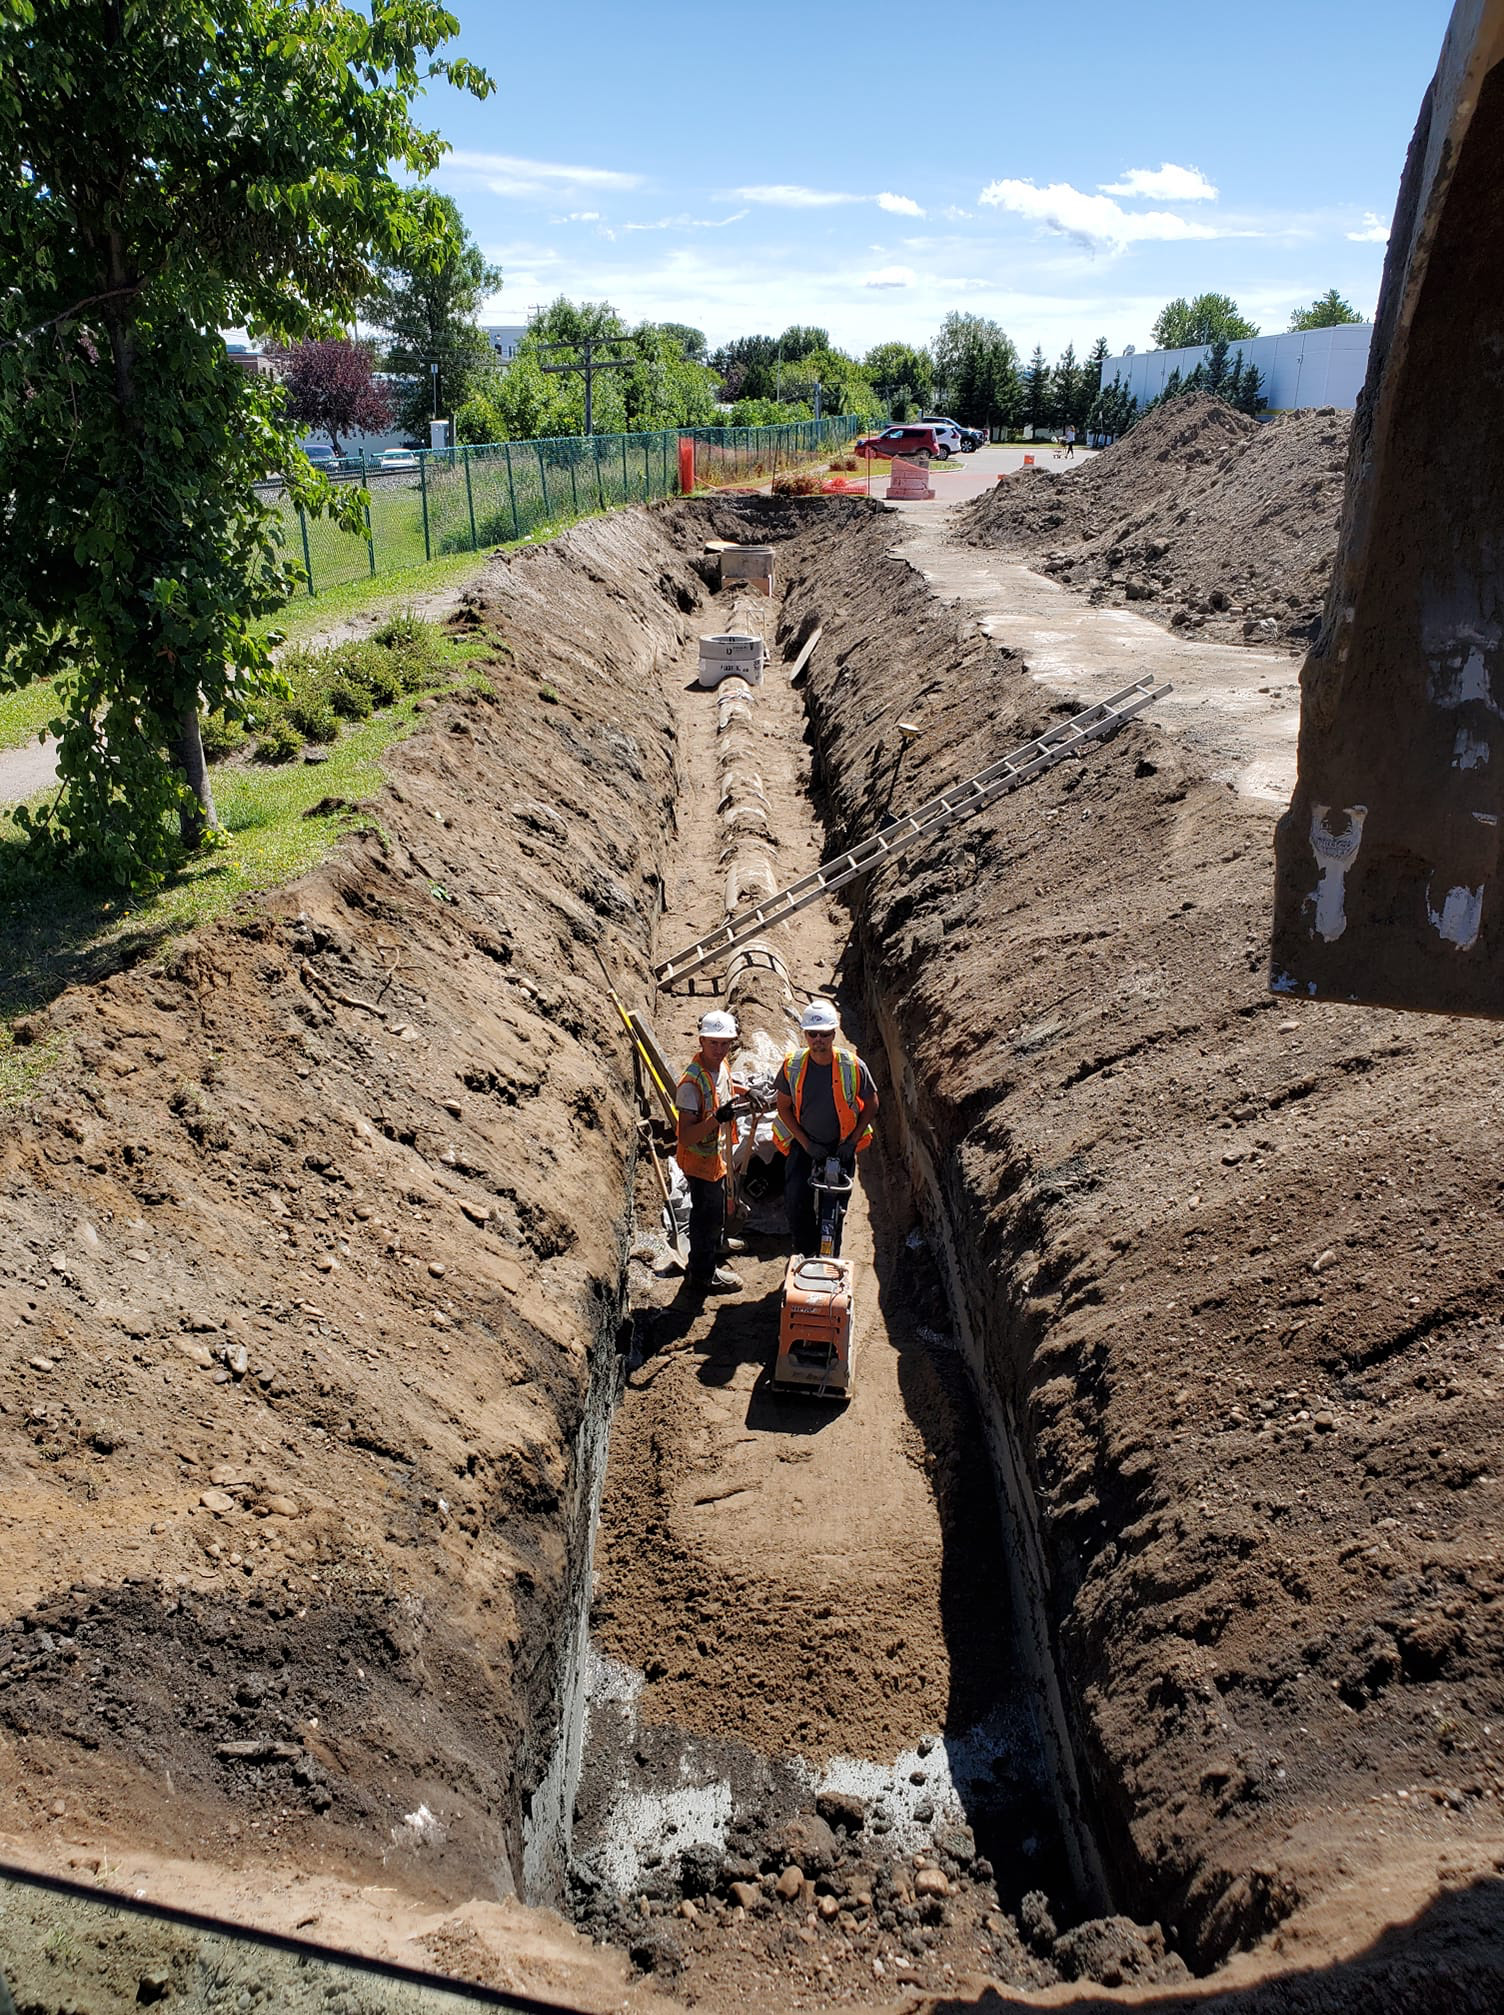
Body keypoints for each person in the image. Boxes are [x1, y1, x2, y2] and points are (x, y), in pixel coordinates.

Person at [774, 1000, 877, 1258]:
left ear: (834, 1033)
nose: (818, 1039)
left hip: (840, 1145)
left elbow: (872, 1102)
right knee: (797, 1200)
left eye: (824, 1034)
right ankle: (806, 1255)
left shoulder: (852, 1065)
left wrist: (851, 1142)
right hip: (805, 1143)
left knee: (834, 1212)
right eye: (812, 1034)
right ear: (805, 1034)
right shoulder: (793, 1065)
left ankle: (830, 1260)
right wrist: (808, 1145)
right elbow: (783, 1107)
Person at [675, 1009, 742, 1292]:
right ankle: (703, 1273)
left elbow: (724, 1089)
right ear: (701, 1040)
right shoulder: (690, 1084)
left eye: (725, 1043)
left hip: (717, 1157)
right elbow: (687, 1136)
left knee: (717, 1210)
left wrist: (747, 1093)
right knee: (705, 1217)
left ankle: (718, 1243)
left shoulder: (721, 1065)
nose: (719, 1048)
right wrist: (717, 1119)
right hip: (700, 1164)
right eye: (713, 1043)